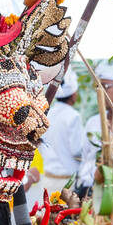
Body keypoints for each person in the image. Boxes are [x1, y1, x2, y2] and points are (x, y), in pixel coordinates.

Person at [79, 60, 113, 190]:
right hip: (92, 194)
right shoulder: (93, 122)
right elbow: (85, 159)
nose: (100, 92)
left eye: (105, 86)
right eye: (98, 87)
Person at [38, 67, 85, 196]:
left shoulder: (48, 113)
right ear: (73, 95)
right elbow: (77, 149)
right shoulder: (73, 116)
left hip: (47, 176)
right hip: (65, 180)